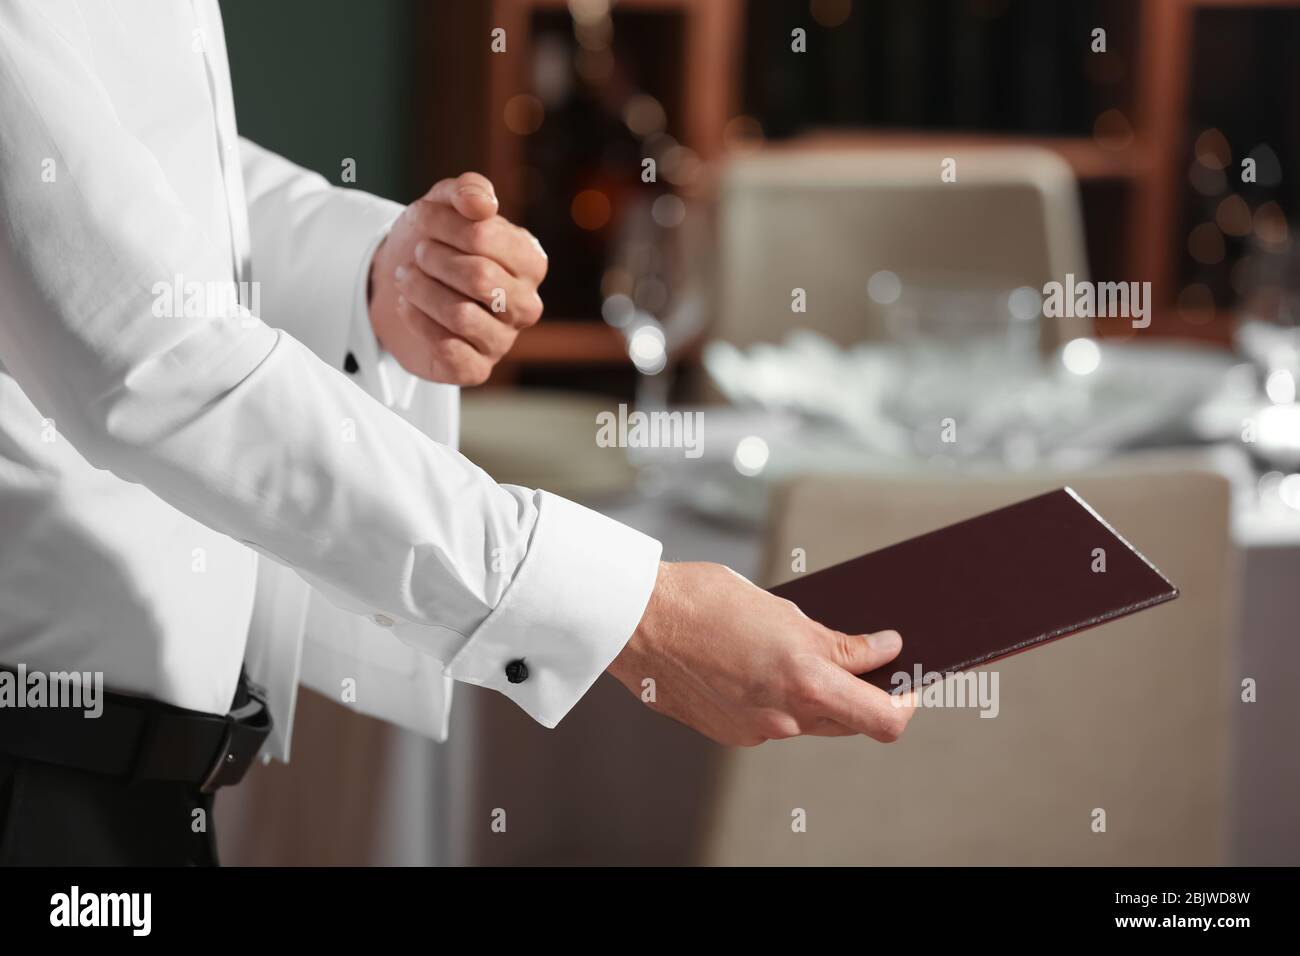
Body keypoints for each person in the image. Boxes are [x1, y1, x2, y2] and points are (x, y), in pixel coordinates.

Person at [0, 0, 914, 865]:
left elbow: (141, 156)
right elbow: (151, 359)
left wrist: (375, 273)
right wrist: (633, 616)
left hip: (127, 775)